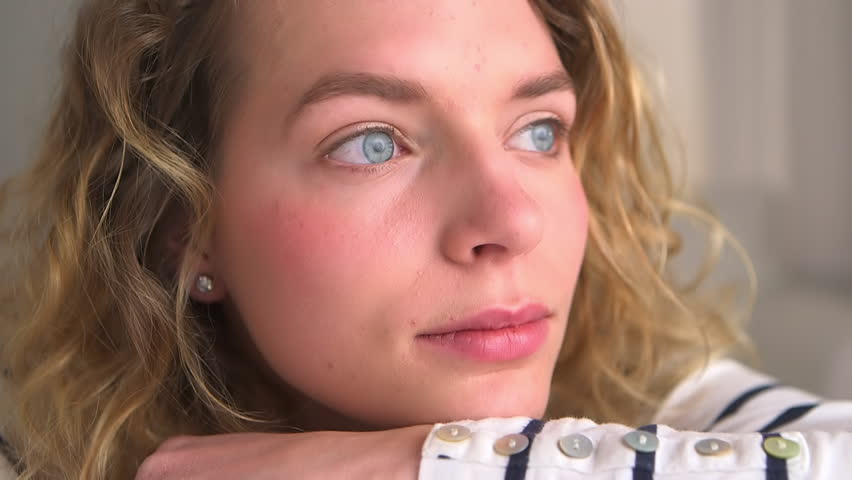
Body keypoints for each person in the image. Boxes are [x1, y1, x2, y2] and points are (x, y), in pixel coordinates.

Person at [1, 0, 850, 478]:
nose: (511, 220)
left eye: (538, 132)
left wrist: (405, 467)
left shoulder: (654, 408)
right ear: (184, 223)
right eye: (374, 143)